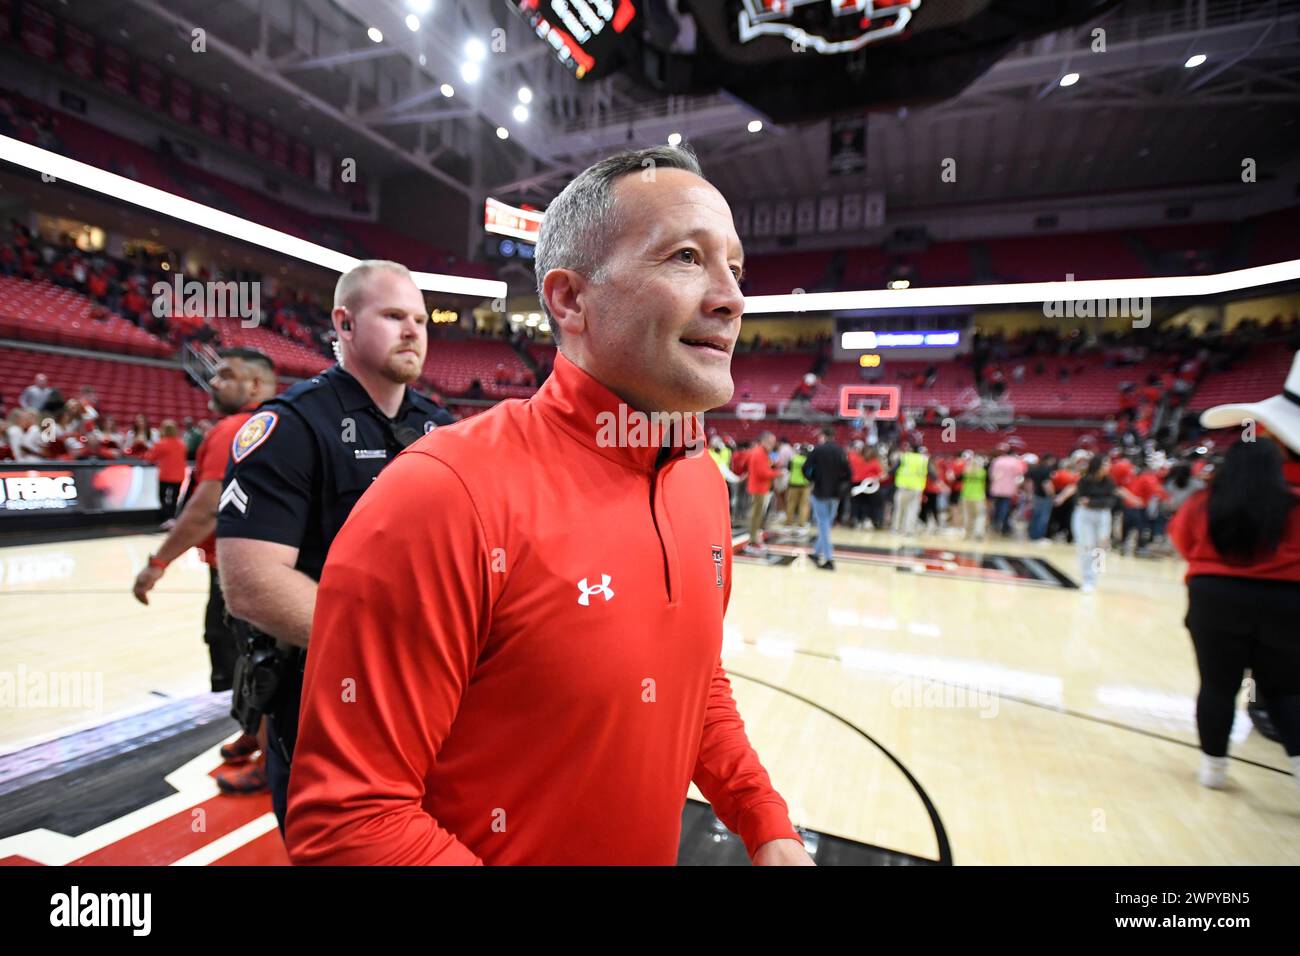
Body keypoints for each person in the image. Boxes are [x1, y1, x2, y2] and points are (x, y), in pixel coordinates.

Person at [284, 146, 811, 865]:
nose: (730, 297)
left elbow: (695, 682)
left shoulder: (700, 482)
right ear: (569, 300)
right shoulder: (441, 495)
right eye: (687, 258)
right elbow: (349, 819)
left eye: (735, 267)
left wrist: (765, 821)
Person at [216, 260, 454, 831]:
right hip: (327, 701)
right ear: (344, 324)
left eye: (420, 319)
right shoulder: (292, 426)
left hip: (431, 702)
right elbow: (251, 584)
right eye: (394, 315)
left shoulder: (442, 427)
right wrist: (387, 650)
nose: (413, 331)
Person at [130, 348, 277, 790]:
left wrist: (157, 563)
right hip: (271, 562)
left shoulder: (235, 428)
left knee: (257, 661)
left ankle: (272, 759)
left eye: (226, 375)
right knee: (254, 658)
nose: (213, 383)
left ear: (254, 385)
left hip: (244, 567)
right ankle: (254, 733)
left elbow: (207, 510)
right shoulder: (278, 423)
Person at [1171, 352, 1300, 791]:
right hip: (1288, 600)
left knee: (1216, 686)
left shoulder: (1209, 499)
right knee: (1284, 689)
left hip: (1215, 595)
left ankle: (1213, 770)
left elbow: (1183, 541)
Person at [1054, 454, 1140, 592]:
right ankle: (1088, 579)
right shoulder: (1084, 480)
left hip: (1103, 514)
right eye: (1105, 464)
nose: (1108, 467)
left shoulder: (1109, 481)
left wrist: (1133, 499)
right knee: (1086, 545)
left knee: (1101, 545)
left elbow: (1111, 499)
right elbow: (1081, 498)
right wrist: (1062, 497)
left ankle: (1096, 571)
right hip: (1085, 515)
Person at [803, 426, 851, 570]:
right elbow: (848, 474)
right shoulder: (840, 451)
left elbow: (805, 468)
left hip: (820, 492)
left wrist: (813, 479)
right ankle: (817, 553)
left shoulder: (818, 450)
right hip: (835, 494)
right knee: (826, 525)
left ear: (823, 436)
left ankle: (829, 559)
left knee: (823, 525)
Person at [143, 420, 188, 520]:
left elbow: (149, 458)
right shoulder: (182, 444)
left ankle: (165, 517)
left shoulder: (161, 444)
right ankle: (172, 517)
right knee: (174, 498)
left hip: (166, 475)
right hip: (179, 475)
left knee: (162, 497)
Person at [744, 431, 781, 552]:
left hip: (760, 488)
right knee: (756, 516)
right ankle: (752, 542)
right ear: (764, 440)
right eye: (771, 441)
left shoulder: (763, 453)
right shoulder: (760, 453)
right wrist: (778, 473)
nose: (773, 444)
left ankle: (754, 539)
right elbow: (763, 473)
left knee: (757, 516)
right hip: (758, 489)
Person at [1026, 454, 1057, 542]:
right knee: (1043, 518)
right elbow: (1046, 483)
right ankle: (1038, 537)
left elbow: (1029, 483)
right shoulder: (1047, 470)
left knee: (1035, 516)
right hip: (1044, 496)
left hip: (1036, 495)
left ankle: (1032, 535)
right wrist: (1052, 495)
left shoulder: (1035, 469)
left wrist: (1030, 494)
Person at [958, 451, 988, 541]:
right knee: (980, 516)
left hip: (966, 496)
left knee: (968, 516)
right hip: (978, 497)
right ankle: (978, 532)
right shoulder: (982, 473)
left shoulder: (966, 472)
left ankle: (967, 534)